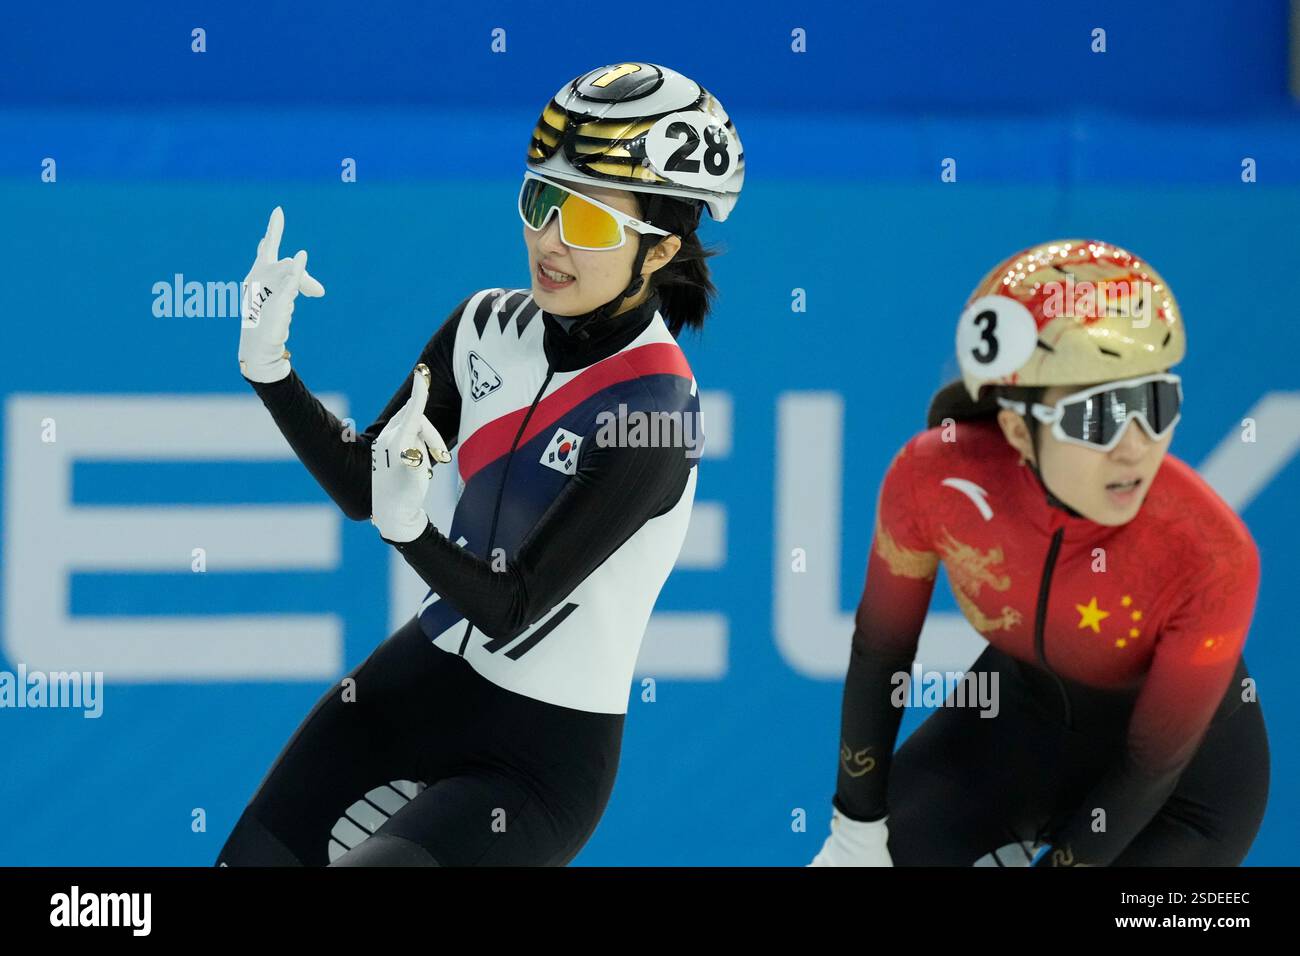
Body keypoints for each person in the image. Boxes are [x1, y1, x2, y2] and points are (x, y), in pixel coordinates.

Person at [217, 61, 744, 866]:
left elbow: (512, 605)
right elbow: (365, 486)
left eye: (592, 223)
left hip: (535, 759)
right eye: (541, 200)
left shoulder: (655, 413)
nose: (551, 241)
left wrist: (413, 532)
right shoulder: (484, 325)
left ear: (661, 248)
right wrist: (271, 369)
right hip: (413, 686)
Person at [811, 240, 1269, 867]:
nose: (1136, 449)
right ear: (1018, 428)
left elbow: (1153, 761)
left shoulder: (1211, 554)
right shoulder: (935, 479)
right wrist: (856, 830)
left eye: (1155, 406)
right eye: (1097, 418)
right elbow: (881, 651)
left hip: (1177, 799)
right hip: (1008, 738)